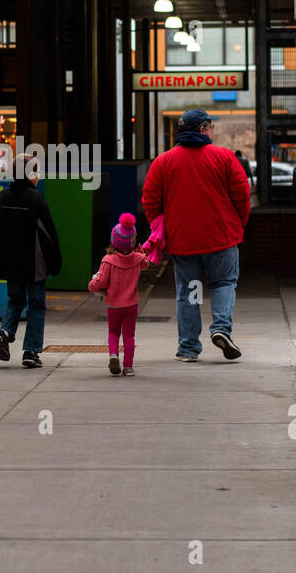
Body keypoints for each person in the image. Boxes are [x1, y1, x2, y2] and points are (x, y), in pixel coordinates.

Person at [141, 108, 250, 362]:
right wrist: (238, 225)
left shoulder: (163, 162)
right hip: (221, 236)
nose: (213, 131)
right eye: (211, 127)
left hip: (183, 241)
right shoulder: (224, 157)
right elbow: (242, 195)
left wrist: (161, 227)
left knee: (191, 291)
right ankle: (221, 329)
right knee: (223, 283)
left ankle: (189, 347)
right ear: (202, 129)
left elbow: (150, 200)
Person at [0, 154, 62, 367]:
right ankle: (31, 352)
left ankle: (4, 332)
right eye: (36, 171)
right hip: (34, 265)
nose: (39, 175)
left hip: (10, 263)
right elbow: (48, 235)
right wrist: (55, 262)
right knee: (36, 305)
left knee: (15, 301)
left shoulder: (2, 198)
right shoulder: (36, 200)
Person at [88, 212, 150, 376]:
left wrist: (91, 286)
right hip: (131, 305)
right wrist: (140, 250)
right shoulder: (137, 258)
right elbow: (146, 263)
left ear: (114, 240)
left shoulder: (108, 260)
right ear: (133, 241)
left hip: (114, 305)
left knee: (113, 332)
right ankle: (128, 367)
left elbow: (101, 281)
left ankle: (114, 355)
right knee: (129, 336)